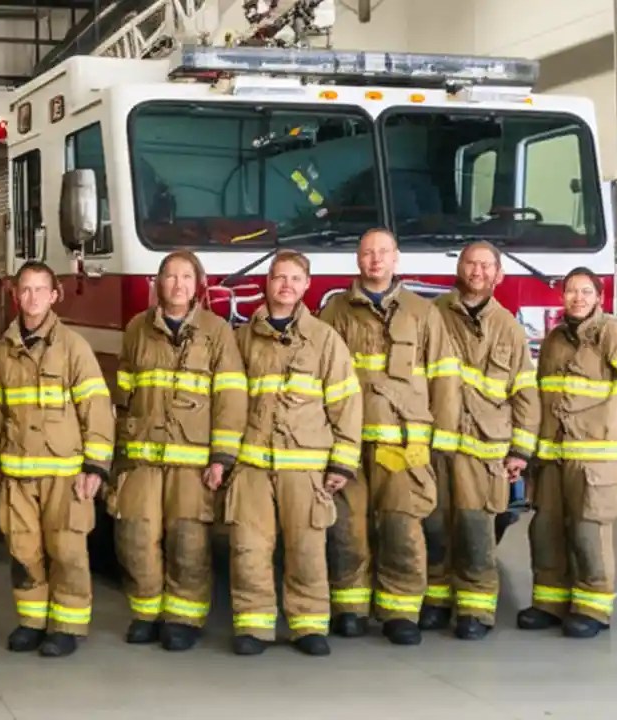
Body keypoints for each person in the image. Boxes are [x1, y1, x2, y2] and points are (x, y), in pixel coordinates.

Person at [318, 228, 462, 646]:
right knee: (348, 528)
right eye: (367, 253)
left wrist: (442, 442)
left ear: (396, 259)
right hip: (349, 445)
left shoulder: (423, 313)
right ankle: (350, 608)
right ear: (358, 261)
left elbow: (445, 379)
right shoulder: (335, 314)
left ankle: (401, 610)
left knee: (403, 527)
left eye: (382, 252)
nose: (375, 260)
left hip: (406, 445)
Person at [112, 251, 248, 651]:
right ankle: (146, 613)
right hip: (143, 458)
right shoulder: (137, 329)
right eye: (169, 276)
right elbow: (123, 394)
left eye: (185, 277)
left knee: (188, 540)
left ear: (197, 285)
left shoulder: (217, 331)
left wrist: (222, 457)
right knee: (136, 536)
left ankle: (183, 619)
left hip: (193, 460)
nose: (177, 284)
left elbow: (231, 397)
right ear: (157, 283)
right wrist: (120, 452)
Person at [228, 250, 362, 657]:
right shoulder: (241, 339)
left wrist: (343, 460)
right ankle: (253, 625)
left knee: (307, 550)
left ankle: (308, 626)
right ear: (267, 284)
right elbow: (228, 403)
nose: (285, 285)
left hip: (306, 467)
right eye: (278, 278)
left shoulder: (325, 340)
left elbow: (346, 403)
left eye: (294, 279)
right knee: (249, 549)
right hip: (251, 464)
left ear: (306, 286)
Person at [518, 267, 617, 639]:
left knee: (589, 534)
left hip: (595, 462)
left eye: (585, 291)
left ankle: (592, 608)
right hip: (552, 459)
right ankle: (550, 603)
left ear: (599, 296)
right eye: (571, 291)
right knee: (546, 531)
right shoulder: (554, 340)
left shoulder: (614, 335)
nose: (577, 298)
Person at [0, 260, 114, 658]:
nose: (32, 297)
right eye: (25, 289)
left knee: (67, 550)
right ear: (14, 295)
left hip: (64, 473)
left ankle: (67, 627)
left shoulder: (74, 348)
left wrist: (95, 466)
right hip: (17, 473)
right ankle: (31, 623)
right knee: (23, 552)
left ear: (55, 295)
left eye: (41, 289)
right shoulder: (3, 352)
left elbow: (97, 409)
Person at [426, 242, 540, 639]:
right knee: (434, 527)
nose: (477, 271)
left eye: (486, 265)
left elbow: (525, 392)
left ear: (498, 275)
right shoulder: (433, 315)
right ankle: (436, 602)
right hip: (436, 445)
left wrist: (520, 451)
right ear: (459, 268)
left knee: (477, 532)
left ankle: (475, 610)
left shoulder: (509, 327)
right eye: (470, 263)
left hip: (485, 451)